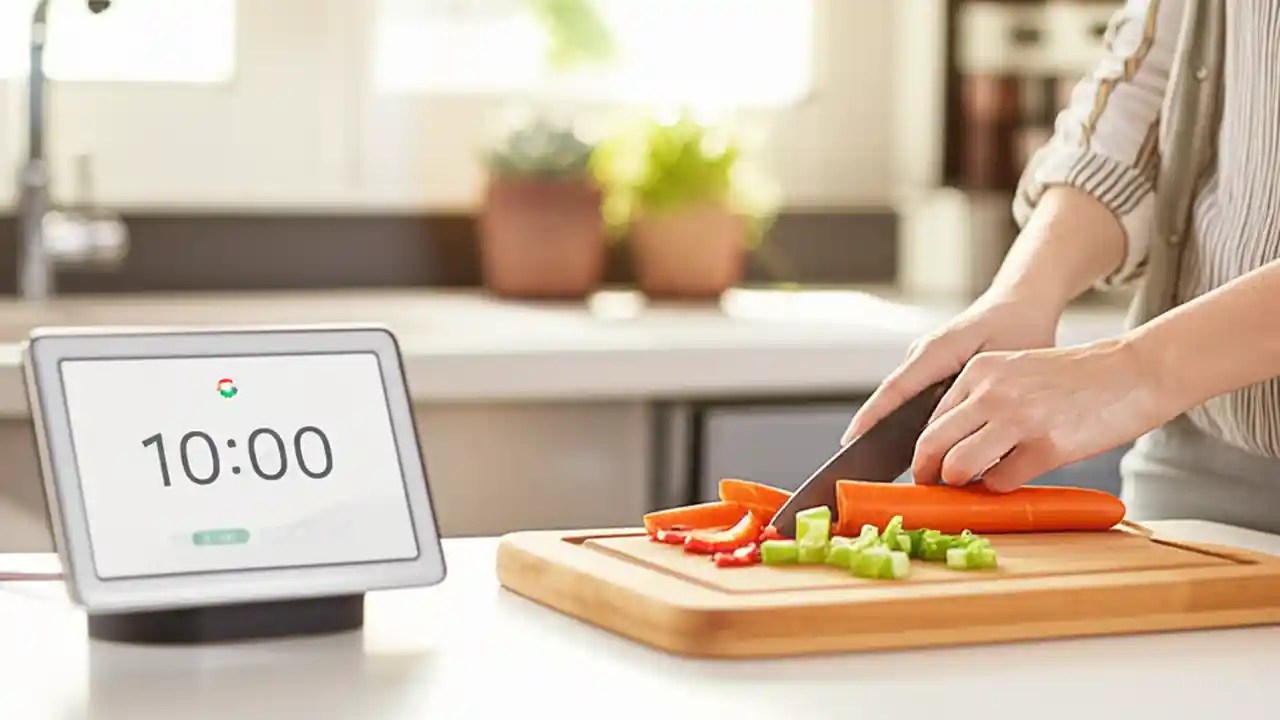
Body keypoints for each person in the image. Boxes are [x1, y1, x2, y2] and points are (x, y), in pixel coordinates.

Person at [842, 0, 1280, 533]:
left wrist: (1136, 371)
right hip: (1193, 461)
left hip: (1166, 400)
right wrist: (1025, 292)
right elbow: (1146, 80)